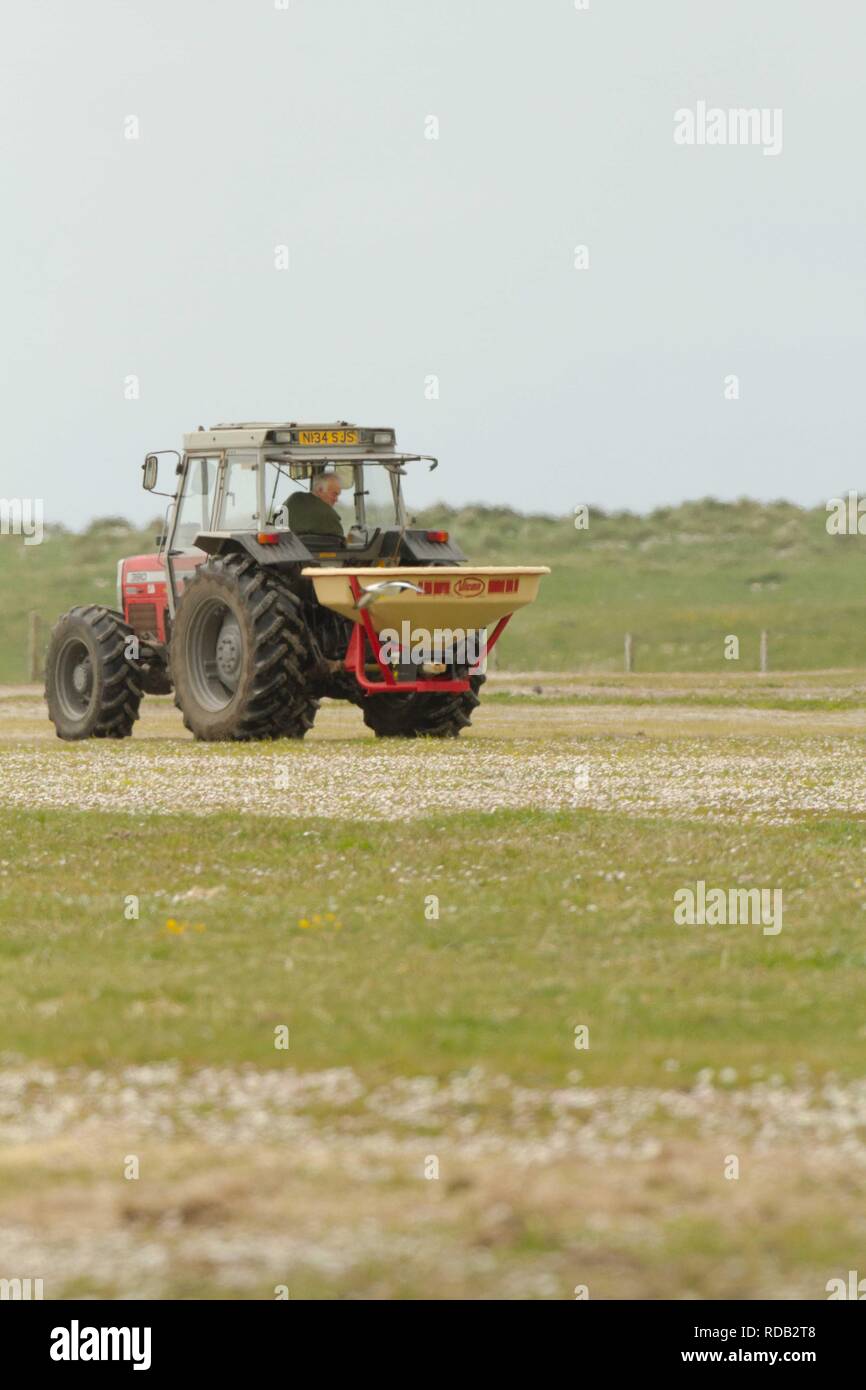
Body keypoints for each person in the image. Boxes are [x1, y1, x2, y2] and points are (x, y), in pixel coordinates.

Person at [287, 471, 345, 538]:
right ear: (320, 490)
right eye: (334, 494)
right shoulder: (330, 516)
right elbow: (340, 543)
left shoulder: (294, 499)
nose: (336, 500)